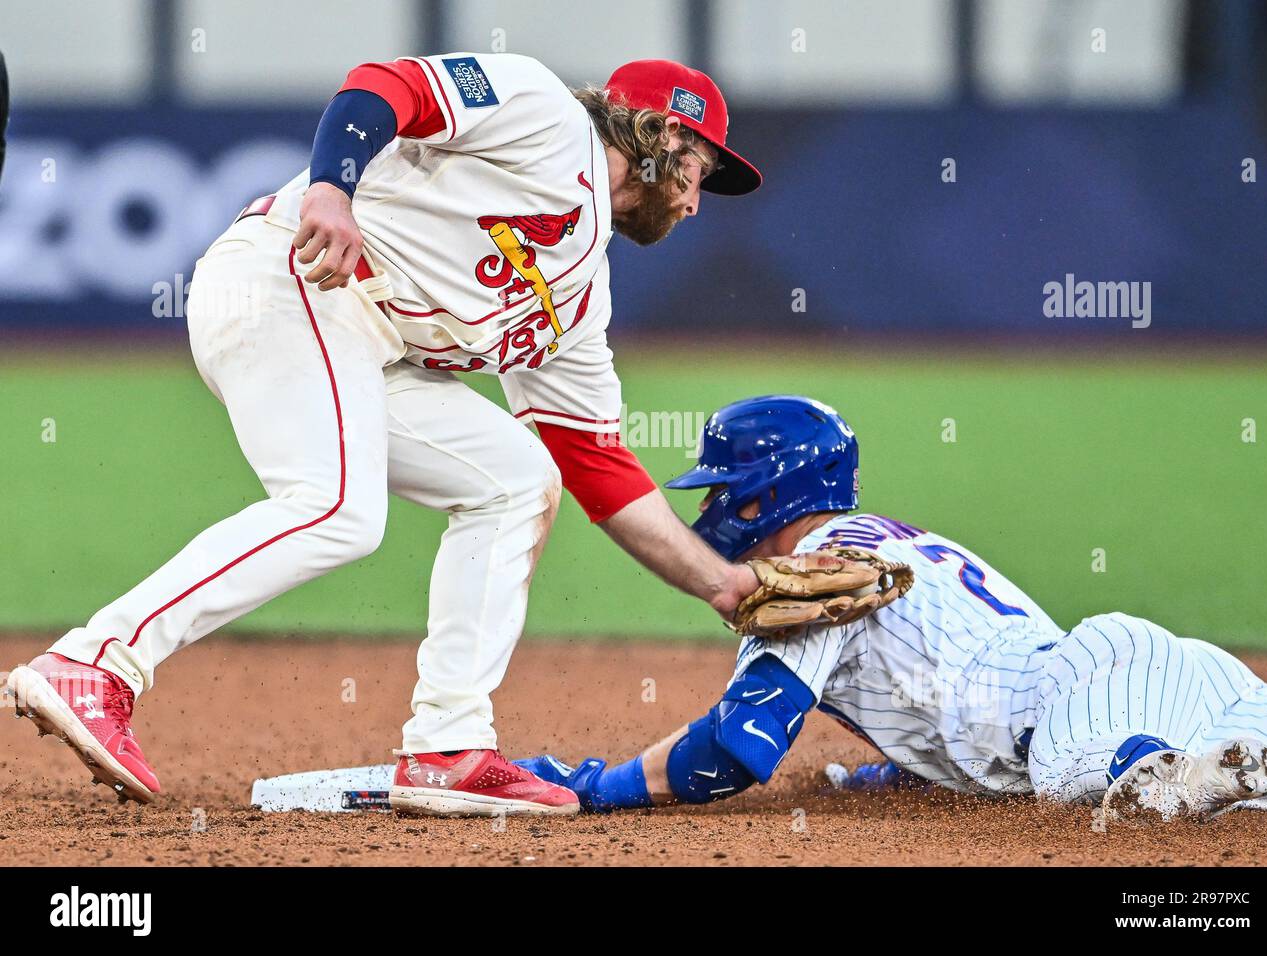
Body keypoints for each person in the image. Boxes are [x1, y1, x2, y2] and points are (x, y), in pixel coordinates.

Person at [5, 53, 769, 817]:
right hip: (292, 275)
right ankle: (95, 663)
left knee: (516, 479)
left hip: (362, 342)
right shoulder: (543, 115)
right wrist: (333, 188)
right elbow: (387, 84)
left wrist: (722, 585)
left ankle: (447, 746)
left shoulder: (579, 299)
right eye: (698, 169)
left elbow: (595, 464)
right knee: (338, 507)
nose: (696, 202)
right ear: (663, 134)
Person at [519, 395, 1267, 824]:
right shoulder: (899, 541)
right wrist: (909, 772)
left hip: (1079, 710)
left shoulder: (814, 575)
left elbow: (732, 753)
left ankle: (1158, 773)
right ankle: (1196, 763)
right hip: (1167, 666)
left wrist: (596, 784)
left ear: (764, 494)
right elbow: (950, 677)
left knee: (1081, 779)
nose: (712, 507)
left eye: (721, 489)